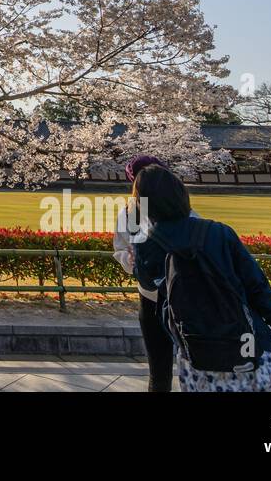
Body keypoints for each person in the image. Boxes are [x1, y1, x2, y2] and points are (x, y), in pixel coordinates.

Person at [132, 165, 271, 393]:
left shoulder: (147, 246)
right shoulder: (219, 233)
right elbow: (260, 292)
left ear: (143, 205)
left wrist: (138, 231)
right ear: (181, 194)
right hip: (250, 350)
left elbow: (148, 284)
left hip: (196, 358)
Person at [112, 155, 173, 391]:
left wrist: (131, 260)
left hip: (164, 297)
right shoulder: (129, 215)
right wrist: (131, 259)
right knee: (162, 370)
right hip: (157, 298)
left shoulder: (129, 214)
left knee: (161, 372)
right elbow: (121, 251)